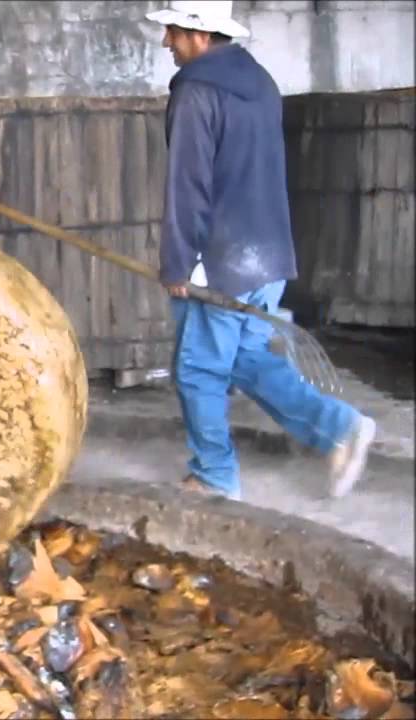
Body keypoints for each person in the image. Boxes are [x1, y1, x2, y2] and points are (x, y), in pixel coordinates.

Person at [145, 0, 376, 501]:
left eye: (173, 31)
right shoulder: (259, 80)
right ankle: (338, 427)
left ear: (200, 36)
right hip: (267, 251)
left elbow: (189, 185)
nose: (167, 42)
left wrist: (179, 263)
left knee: (199, 369)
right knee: (245, 355)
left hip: (222, 256)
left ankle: (212, 475)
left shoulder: (196, 91)